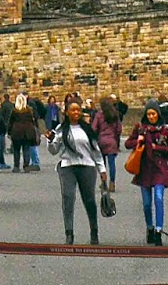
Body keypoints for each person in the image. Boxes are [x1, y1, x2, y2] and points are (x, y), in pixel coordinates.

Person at [125, 99, 168, 246]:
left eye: (153, 114)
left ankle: (159, 230)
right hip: (144, 169)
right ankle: (150, 228)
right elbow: (127, 143)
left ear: (158, 114)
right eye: (149, 114)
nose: (151, 117)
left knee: (159, 199)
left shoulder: (166, 129)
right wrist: (138, 141)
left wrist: (157, 148)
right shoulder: (141, 128)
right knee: (147, 203)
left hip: (159, 168)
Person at [49, 99, 101, 245]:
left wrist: (101, 169)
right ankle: (69, 233)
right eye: (73, 110)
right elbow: (54, 151)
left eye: (78, 110)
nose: (76, 112)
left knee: (89, 199)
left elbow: (95, 150)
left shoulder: (87, 129)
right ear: (66, 112)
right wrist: (50, 141)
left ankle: (94, 230)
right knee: (68, 198)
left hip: (87, 166)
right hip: (68, 166)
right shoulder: (61, 129)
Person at [93, 97, 124, 189]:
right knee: (112, 163)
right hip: (112, 141)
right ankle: (112, 182)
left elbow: (94, 128)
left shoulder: (99, 115)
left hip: (101, 141)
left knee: (102, 164)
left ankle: (103, 182)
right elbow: (119, 129)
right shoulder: (115, 114)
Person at [8, 94, 41, 173]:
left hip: (17, 131)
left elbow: (10, 122)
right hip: (27, 131)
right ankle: (26, 165)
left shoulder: (14, 111)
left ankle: (16, 166)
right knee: (26, 149)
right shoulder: (29, 110)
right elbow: (33, 121)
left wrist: (9, 132)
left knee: (16, 150)